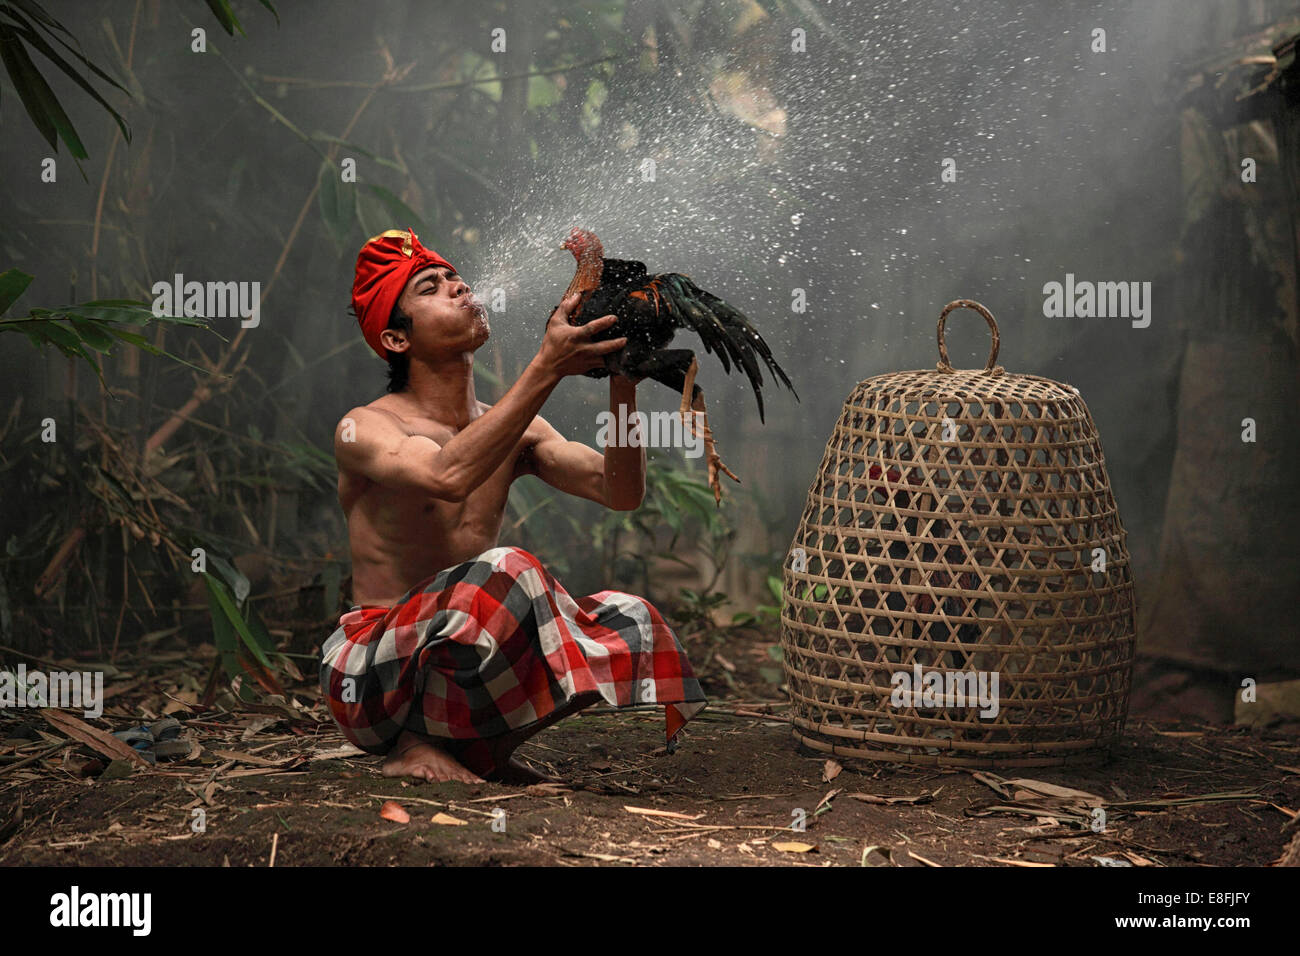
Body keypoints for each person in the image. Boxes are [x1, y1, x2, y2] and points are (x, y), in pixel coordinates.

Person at [320, 228, 706, 784]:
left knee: (631, 619)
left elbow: (620, 493)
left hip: (464, 669)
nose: (457, 287)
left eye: (455, 277)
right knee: (507, 569)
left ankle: (482, 750)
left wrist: (624, 383)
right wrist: (547, 367)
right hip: (370, 674)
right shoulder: (366, 427)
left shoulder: (512, 426)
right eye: (431, 287)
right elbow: (446, 474)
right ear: (396, 339)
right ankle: (412, 742)